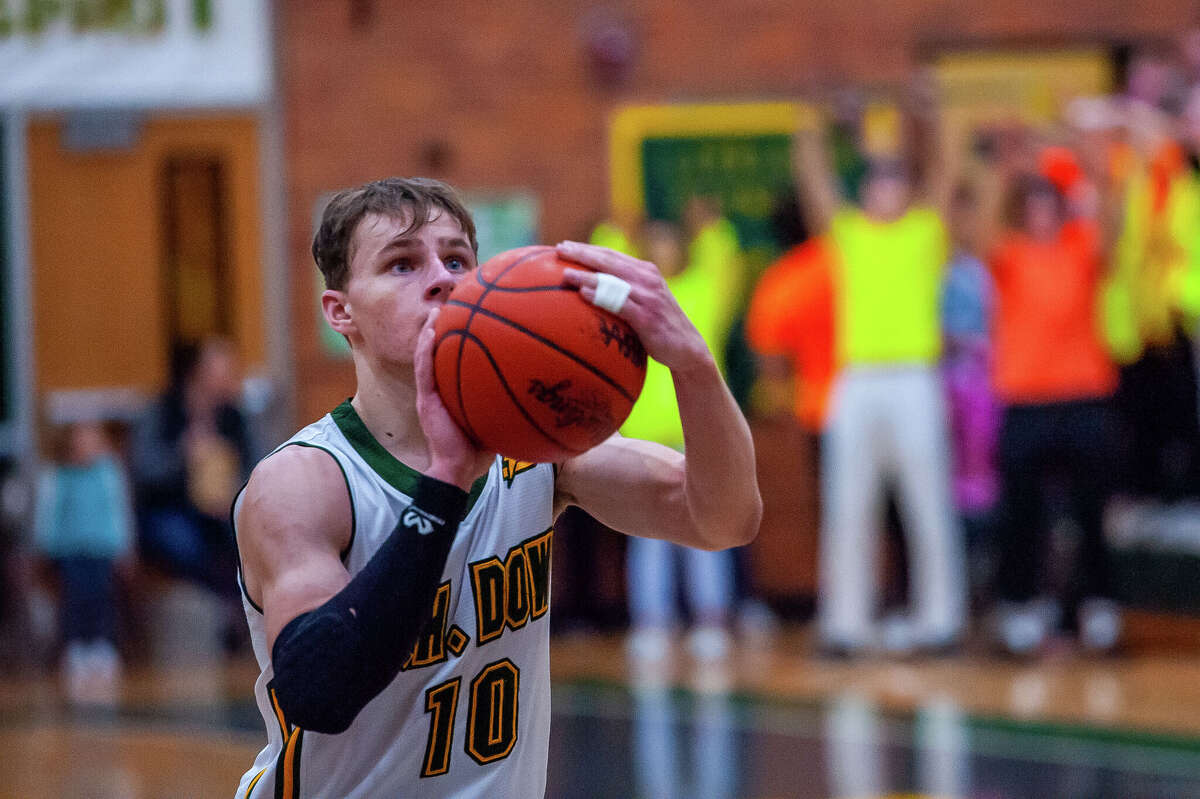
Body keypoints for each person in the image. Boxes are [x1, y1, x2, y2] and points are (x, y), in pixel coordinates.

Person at [232, 177, 761, 797]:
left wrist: (693, 365)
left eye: (456, 258)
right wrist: (445, 484)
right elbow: (320, 691)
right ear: (341, 311)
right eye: (402, 263)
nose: (441, 278)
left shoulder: (537, 450)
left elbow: (723, 518)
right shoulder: (305, 481)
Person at [793, 81, 966, 655]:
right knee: (848, 503)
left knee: (927, 503)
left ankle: (940, 621)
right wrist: (816, 125)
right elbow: (813, 183)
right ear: (865, 190)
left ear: (907, 189)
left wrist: (931, 116)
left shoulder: (924, 231)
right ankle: (845, 625)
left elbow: (946, 172)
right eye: (877, 179)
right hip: (860, 380)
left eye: (895, 178)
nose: (885, 187)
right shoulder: (850, 235)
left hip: (915, 379)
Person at [621, 219, 738, 662]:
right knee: (647, 538)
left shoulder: (704, 290)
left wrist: (708, 224)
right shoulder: (629, 303)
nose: (661, 251)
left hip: (697, 435)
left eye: (669, 241)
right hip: (646, 437)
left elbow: (722, 255)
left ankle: (711, 620)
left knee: (704, 531)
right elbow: (604, 257)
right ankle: (652, 622)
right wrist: (619, 232)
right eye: (652, 243)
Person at [130, 337, 252, 651]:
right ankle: (231, 607)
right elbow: (145, 471)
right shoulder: (160, 411)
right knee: (184, 542)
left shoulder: (234, 416)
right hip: (169, 508)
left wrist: (233, 493)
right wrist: (182, 458)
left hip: (221, 508)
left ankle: (242, 610)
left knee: (246, 535)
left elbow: (260, 466)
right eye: (221, 366)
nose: (230, 373)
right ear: (197, 371)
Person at [34, 420, 134, 702]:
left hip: (102, 548)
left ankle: (102, 644)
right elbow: (49, 513)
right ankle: (76, 645)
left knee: (101, 597)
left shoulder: (107, 474)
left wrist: (123, 546)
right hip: (71, 550)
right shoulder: (59, 475)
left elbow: (118, 510)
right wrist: (45, 546)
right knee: (75, 598)